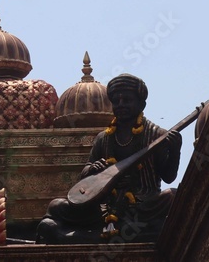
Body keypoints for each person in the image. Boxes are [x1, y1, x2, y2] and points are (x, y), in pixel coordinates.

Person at [37, 74, 182, 244]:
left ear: (141, 104)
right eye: (116, 101)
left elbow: (168, 177)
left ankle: (71, 236)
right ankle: (130, 233)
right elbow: (85, 176)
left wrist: (175, 150)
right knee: (56, 206)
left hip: (143, 204)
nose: (121, 105)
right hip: (105, 206)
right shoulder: (103, 138)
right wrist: (92, 170)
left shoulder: (156, 135)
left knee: (172, 197)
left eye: (127, 100)